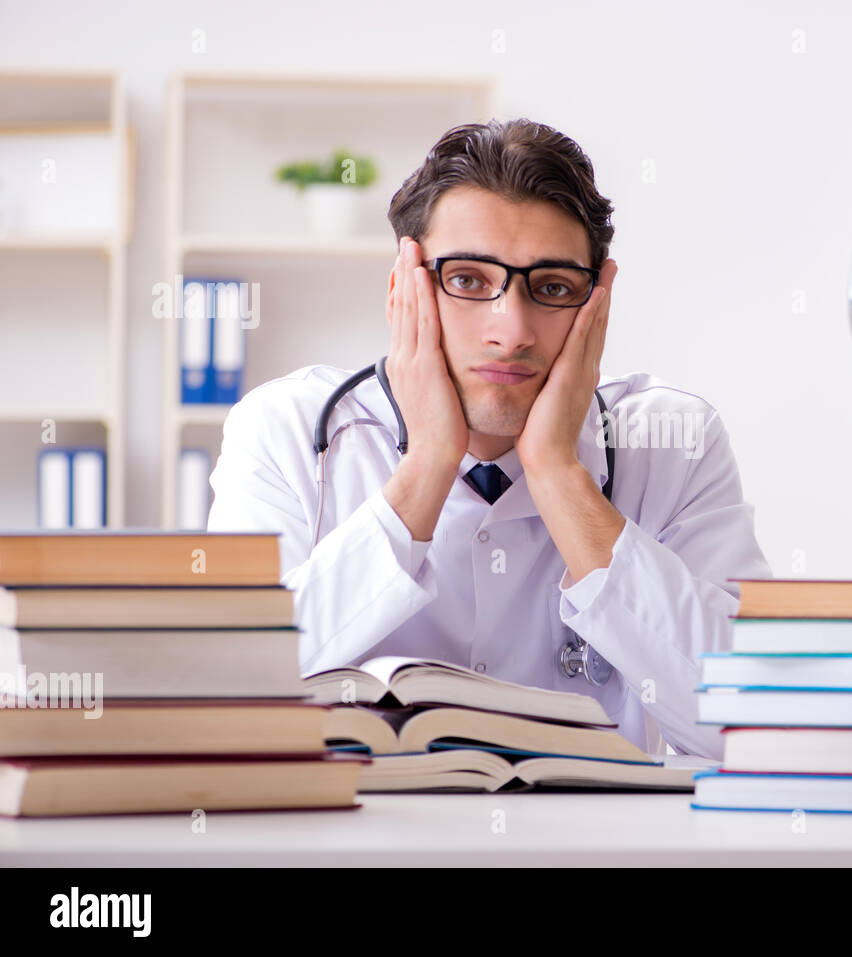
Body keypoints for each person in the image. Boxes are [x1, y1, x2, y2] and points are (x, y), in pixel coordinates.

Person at [207, 118, 772, 758]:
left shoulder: (674, 442)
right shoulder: (285, 430)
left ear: (597, 306)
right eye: (469, 280)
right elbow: (232, 702)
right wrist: (427, 467)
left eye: (553, 288)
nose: (512, 330)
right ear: (404, 288)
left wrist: (560, 476)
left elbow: (754, 729)